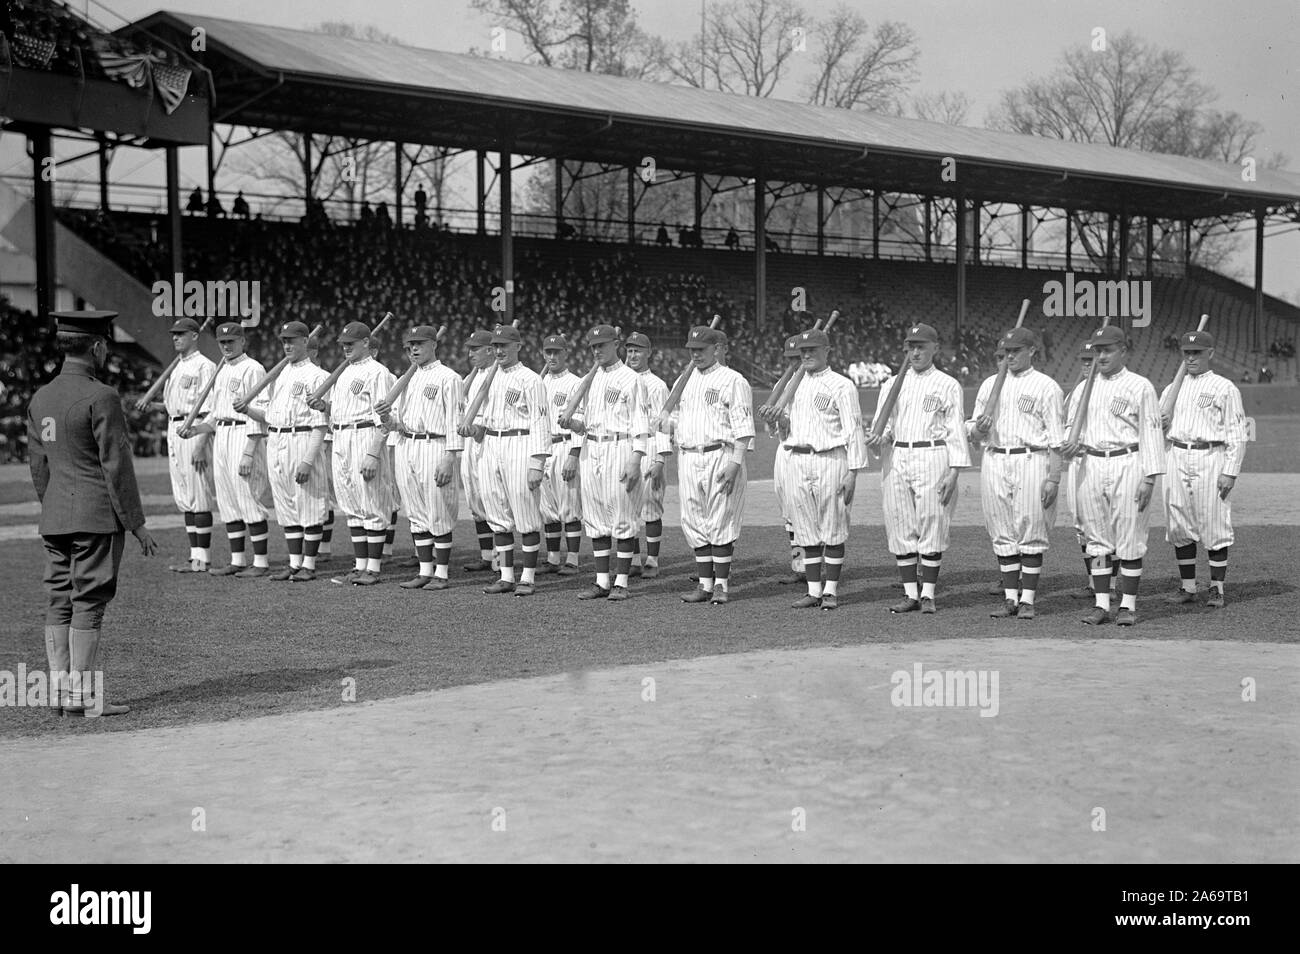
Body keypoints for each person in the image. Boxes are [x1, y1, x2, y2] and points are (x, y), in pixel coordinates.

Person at [27, 310, 158, 718]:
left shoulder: (40, 397)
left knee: (59, 600)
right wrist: (136, 523)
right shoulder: (102, 396)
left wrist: (55, 505)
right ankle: (81, 696)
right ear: (98, 347)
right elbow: (116, 465)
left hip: (56, 517)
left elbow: (38, 466)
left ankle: (60, 692)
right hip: (95, 516)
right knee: (89, 602)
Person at [1061, 325, 1165, 626]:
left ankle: (1128, 606)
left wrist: (1149, 478)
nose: (1101, 356)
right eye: (1097, 350)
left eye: (1107, 350)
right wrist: (1070, 440)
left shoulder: (1140, 386)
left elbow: (1152, 433)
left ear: (1123, 350)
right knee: (1096, 538)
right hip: (1090, 463)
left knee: (1130, 536)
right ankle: (1101, 604)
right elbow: (1071, 427)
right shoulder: (1084, 387)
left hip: (1127, 462)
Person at [865, 322, 970, 614]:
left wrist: (954, 471)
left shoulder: (948, 384)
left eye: (921, 346)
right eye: (911, 346)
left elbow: (955, 431)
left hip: (933, 454)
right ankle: (911, 594)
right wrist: (876, 438)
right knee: (900, 524)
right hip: (898, 454)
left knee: (932, 522)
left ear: (935, 348)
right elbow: (884, 428)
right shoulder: (891, 383)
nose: (915, 352)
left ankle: (929, 595)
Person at [967, 327, 1065, 620]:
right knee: (1002, 530)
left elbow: (1056, 438)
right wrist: (978, 429)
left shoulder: (1047, 387)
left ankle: (1028, 601)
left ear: (1032, 351)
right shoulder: (988, 385)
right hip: (995, 457)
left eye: (1016, 351)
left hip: (1031, 459)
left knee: (1031, 528)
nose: (1010, 356)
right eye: (1006, 351)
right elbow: (972, 431)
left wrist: (1054, 477)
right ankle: (1010, 599)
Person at [774, 328, 869, 610]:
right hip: (797, 458)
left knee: (833, 526)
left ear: (827, 351)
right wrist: (778, 422)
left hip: (830, 458)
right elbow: (785, 428)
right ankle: (813, 591)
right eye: (803, 351)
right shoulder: (794, 384)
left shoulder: (842, 385)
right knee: (805, 528)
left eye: (813, 350)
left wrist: (853, 472)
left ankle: (831, 591)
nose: (807, 355)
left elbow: (853, 430)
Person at [560, 325, 651, 601]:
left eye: (602, 345)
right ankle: (601, 582)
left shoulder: (631, 379)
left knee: (622, 516)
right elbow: (585, 421)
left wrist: (636, 459)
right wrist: (572, 423)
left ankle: (621, 582)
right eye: (593, 347)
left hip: (619, 446)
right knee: (596, 519)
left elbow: (640, 423)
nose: (597, 350)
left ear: (616, 344)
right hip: (592, 448)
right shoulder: (589, 380)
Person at [665, 326, 754, 605]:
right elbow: (678, 419)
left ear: (715, 349)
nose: (695, 355)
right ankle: (704, 585)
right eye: (692, 350)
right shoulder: (685, 379)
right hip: (689, 456)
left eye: (701, 350)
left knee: (720, 519)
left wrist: (735, 462)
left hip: (720, 454)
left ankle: (721, 585)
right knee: (694, 520)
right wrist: (665, 424)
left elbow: (743, 428)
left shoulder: (733, 380)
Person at [236, 322, 331, 581]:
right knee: (286, 505)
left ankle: (309, 565)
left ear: (305, 341)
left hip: (302, 439)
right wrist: (247, 410)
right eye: (283, 341)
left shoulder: (317, 375)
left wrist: (308, 460)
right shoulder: (279, 374)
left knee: (309, 503)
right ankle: (294, 563)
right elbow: (270, 415)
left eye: (292, 340)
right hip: (276, 439)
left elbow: (320, 424)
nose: (287, 345)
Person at [176, 322, 273, 577]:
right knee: (228, 500)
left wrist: (250, 450)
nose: (227, 346)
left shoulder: (253, 368)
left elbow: (263, 413)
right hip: (222, 435)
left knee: (248, 496)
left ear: (243, 341)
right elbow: (217, 415)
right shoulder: (220, 371)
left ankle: (260, 562)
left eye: (231, 341)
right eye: (222, 343)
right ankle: (238, 560)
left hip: (244, 433)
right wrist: (196, 430)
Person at [460, 324, 550, 596]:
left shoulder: (530, 379)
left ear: (518, 347)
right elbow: (482, 422)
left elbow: (541, 422)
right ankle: (506, 576)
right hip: (491, 445)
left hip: (520, 443)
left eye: (505, 346)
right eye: (496, 346)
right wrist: (473, 429)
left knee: (525, 514)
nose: (499, 350)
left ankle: (528, 578)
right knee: (496, 513)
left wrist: (537, 463)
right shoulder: (487, 377)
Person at [1160, 330, 1247, 608]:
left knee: (1213, 521)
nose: (1191, 357)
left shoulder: (1225, 388)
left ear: (1210, 353)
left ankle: (1216, 589)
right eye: (1187, 352)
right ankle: (1187, 587)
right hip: (1176, 455)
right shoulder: (1171, 389)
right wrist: (1160, 421)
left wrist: (1230, 471)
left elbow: (1237, 433)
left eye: (1196, 352)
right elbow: (1157, 429)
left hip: (1210, 457)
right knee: (1179, 523)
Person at [308, 321, 397, 585]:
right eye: (343, 344)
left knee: (371, 502)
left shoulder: (378, 372)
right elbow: (338, 410)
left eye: (351, 343)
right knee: (351, 504)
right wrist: (324, 405)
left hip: (365, 435)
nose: (345, 348)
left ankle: (374, 568)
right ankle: (360, 566)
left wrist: (373, 453)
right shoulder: (343, 373)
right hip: (342, 437)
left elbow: (384, 417)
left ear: (366, 343)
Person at [376, 325, 465, 590]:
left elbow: (454, 420)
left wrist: (450, 457)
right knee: (415, 511)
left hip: (434, 444)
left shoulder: (449, 377)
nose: (414, 348)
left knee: (438, 509)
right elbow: (397, 423)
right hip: (407, 444)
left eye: (420, 343)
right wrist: (385, 417)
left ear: (433, 344)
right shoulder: (405, 379)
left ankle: (442, 573)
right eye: (410, 344)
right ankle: (425, 571)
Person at [152, 317, 216, 572]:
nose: (176, 338)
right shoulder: (175, 368)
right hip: (173, 428)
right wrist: (153, 406)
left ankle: (204, 557)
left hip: (195, 429)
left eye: (181, 334)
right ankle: (194, 556)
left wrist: (201, 443)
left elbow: (211, 409)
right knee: (183, 495)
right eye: (174, 334)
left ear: (195, 335)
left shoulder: (205, 366)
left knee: (198, 493)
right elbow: (173, 407)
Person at [537, 334, 583, 575]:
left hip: (565, 445)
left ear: (566, 354)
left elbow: (582, 421)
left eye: (557, 352)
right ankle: (553, 558)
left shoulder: (576, 383)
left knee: (570, 504)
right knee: (548, 508)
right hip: (544, 446)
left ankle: (573, 559)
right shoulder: (539, 382)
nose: (552, 357)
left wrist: (574, 455)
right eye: (548, 352)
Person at [625, 332, 669, 579]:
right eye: (629, 351)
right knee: (628, 506)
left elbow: (664, 425)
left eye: (637, 351)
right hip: (628, 447)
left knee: (651, 507)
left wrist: (661, 459)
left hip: (651, 445)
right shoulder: (623, 380)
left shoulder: (657, 385)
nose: (632, 355)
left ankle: (652, 560)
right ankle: (632, 560)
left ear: (648, 353)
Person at [458, 329, 500, 572]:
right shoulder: (471, 377)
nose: (470, 353)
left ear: (490, 350)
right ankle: (486, 556)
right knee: (475, 501)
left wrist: (476, 428)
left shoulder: (497, 376)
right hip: (470, 445)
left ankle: (498, 557)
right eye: (469, 348)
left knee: (492, 501)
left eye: (475, 348)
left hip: (489, 444)